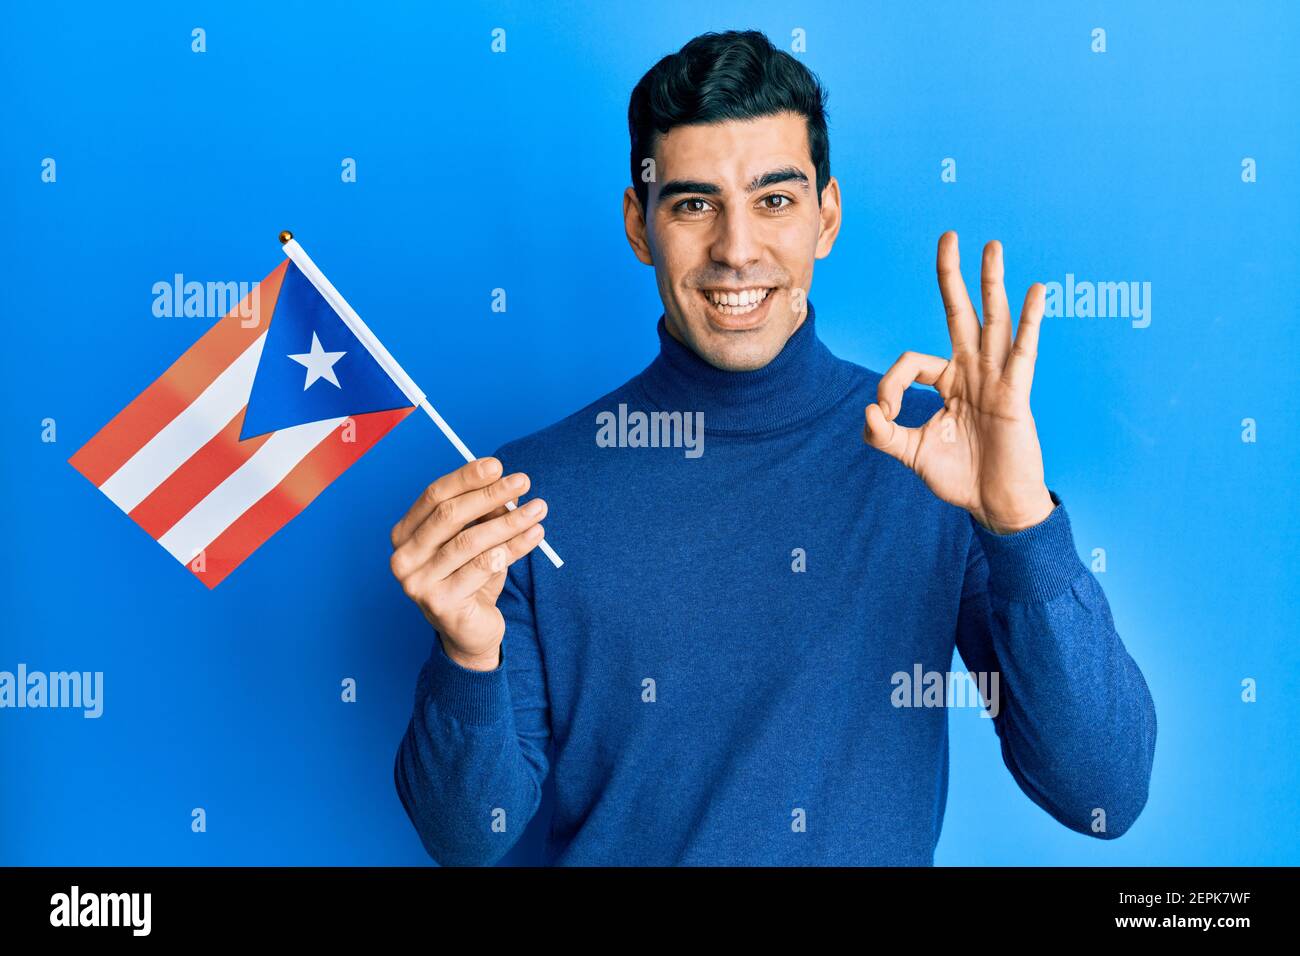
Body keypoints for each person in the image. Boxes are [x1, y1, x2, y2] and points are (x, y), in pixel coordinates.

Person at [390, 29, 1156, 865]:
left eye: (775, 200)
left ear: (826, 216)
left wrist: (1020, 527)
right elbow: (471, 838)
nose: (736, 249)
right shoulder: (527, 499)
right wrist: (465, 658)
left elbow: (1103, 793)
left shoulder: (932, 458)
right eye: (692, 204)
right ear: (639, 226)